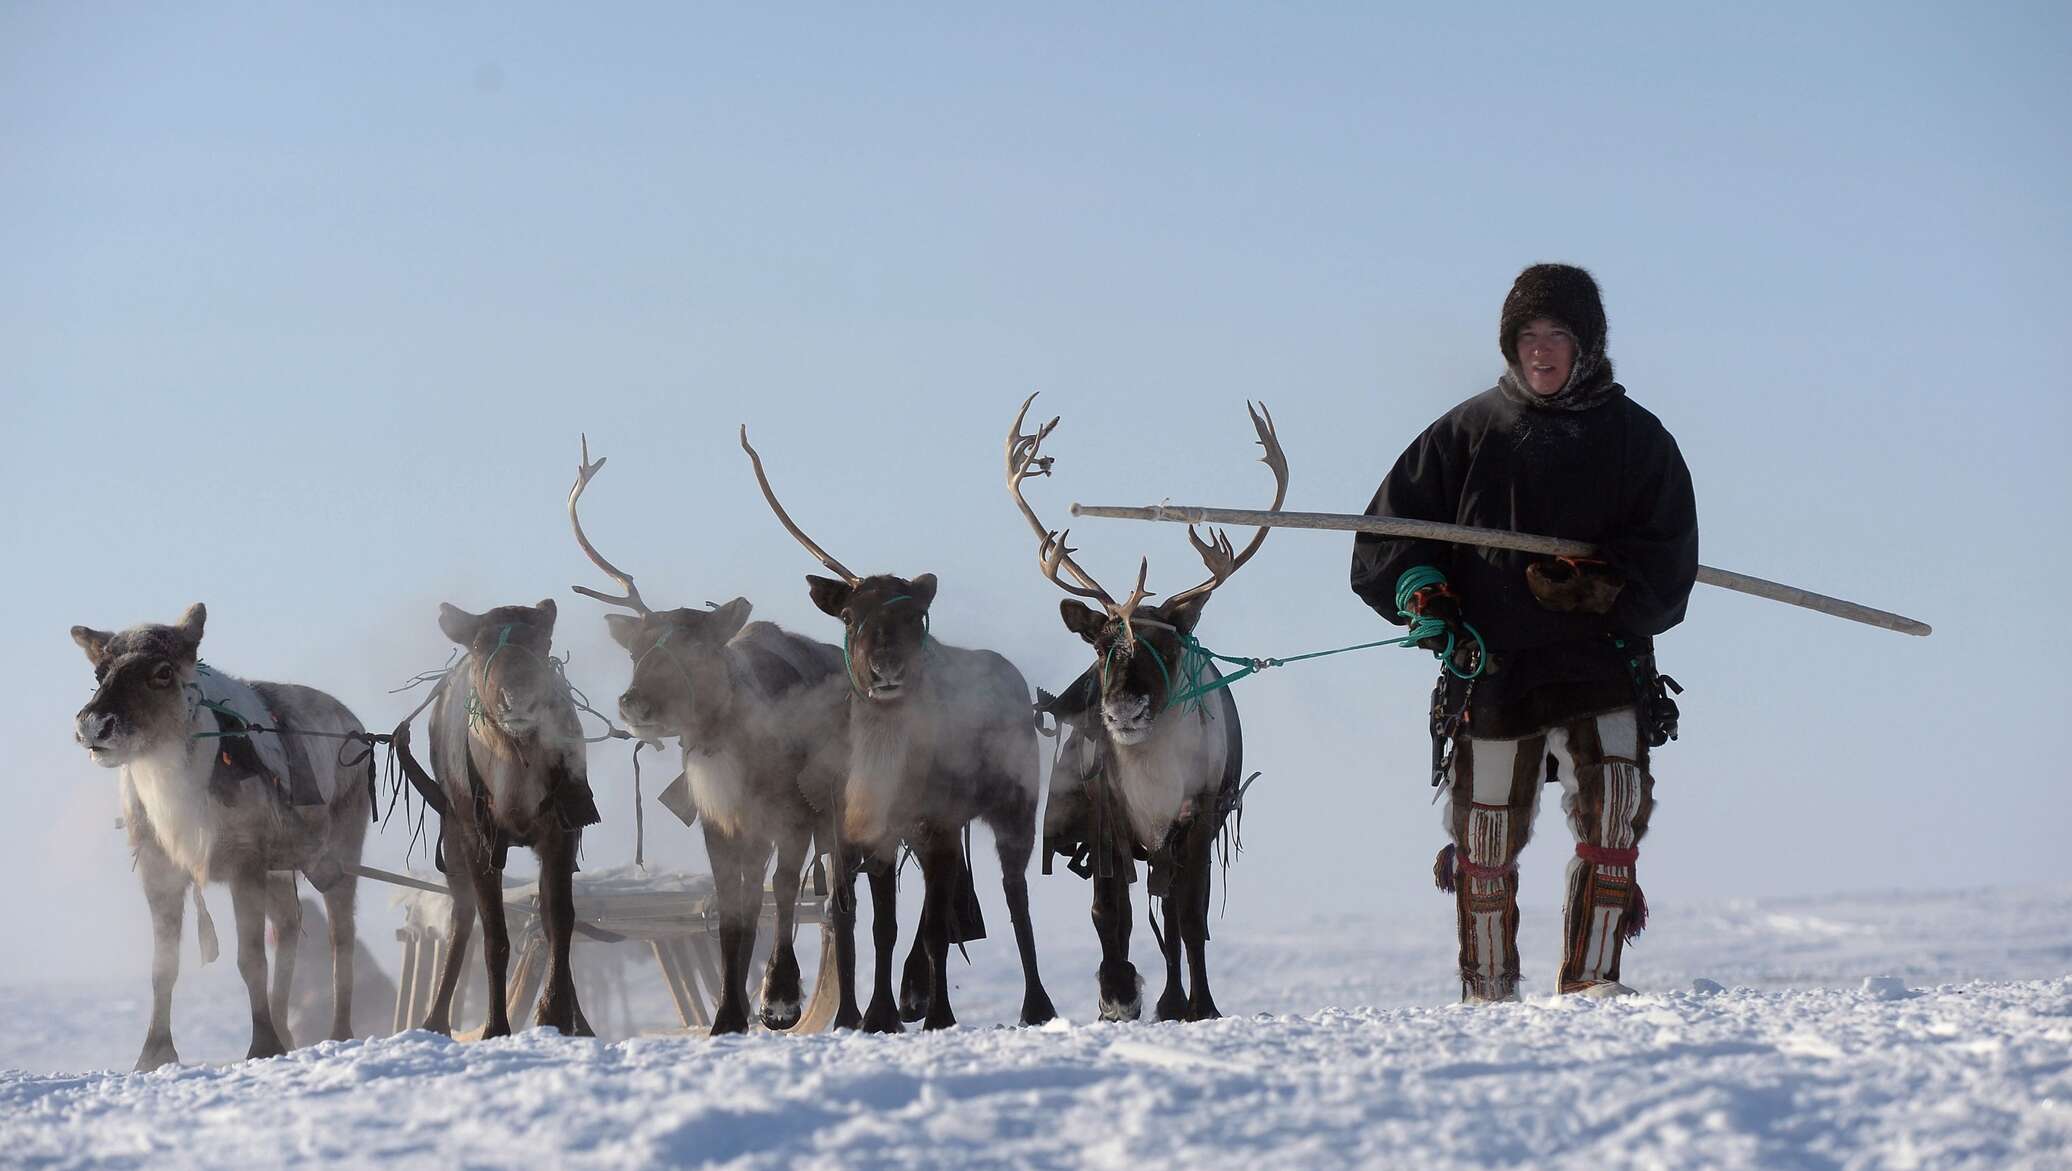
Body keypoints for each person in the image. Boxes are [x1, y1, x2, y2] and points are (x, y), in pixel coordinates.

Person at [1350, 263, 1698, 1002]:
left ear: (1588, 346)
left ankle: (1594, 986)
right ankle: (1487, 997)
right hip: (1496, 664)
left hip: (1602, 663)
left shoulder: (1640, 443)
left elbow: (1671, 562)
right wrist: (1425, 594)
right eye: (1528, 337)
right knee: (1483, 838)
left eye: (1557, 337)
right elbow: (1386, 543)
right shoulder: (1466, 432)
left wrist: (1609, 584)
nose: (1540, 352)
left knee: (1614, 809)